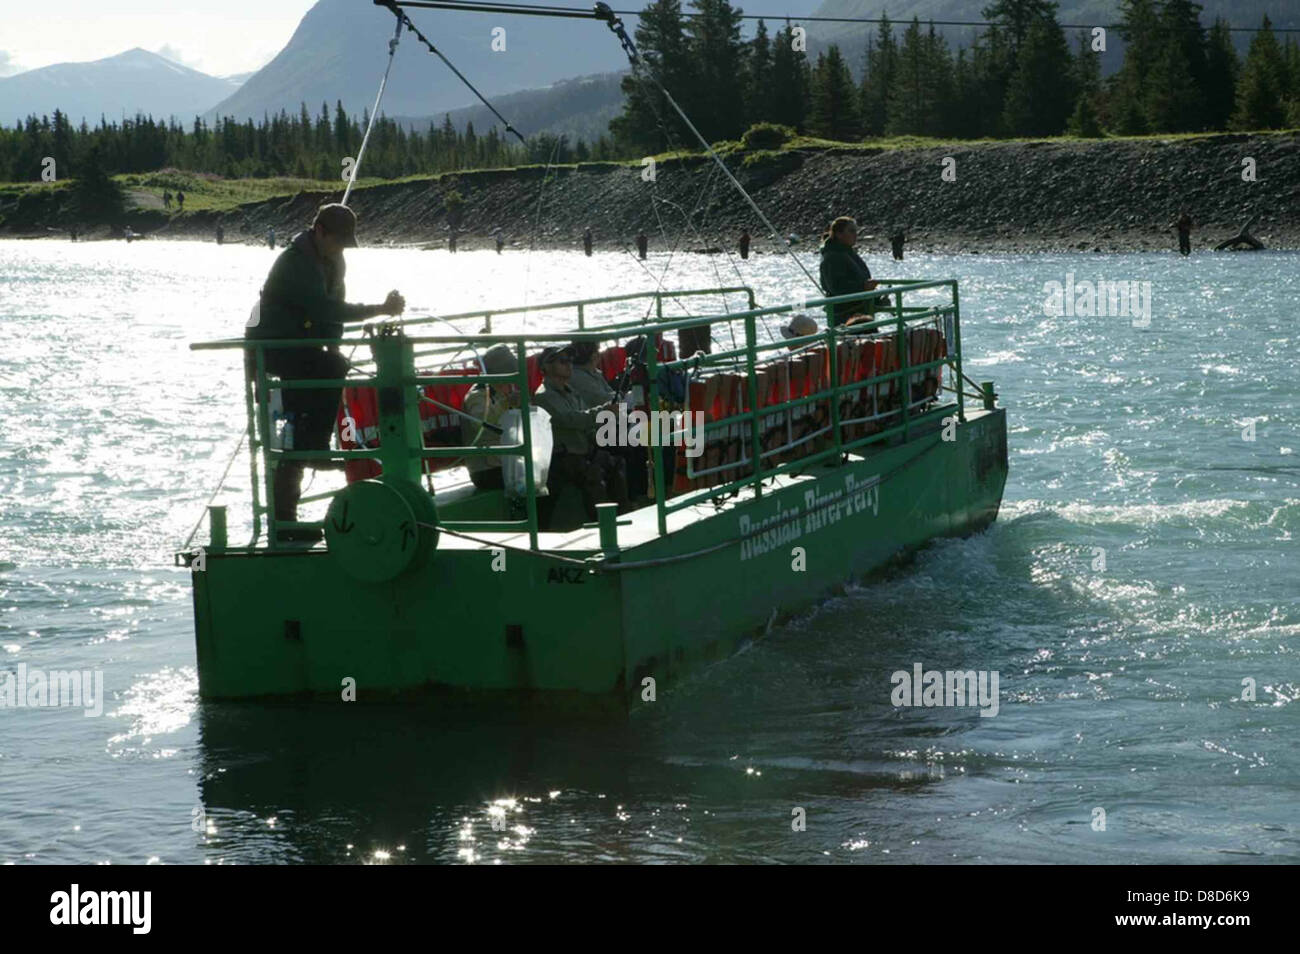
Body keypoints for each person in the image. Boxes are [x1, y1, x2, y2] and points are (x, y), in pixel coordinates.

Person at [246, 203, 405, 541]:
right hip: (272, 348)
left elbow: (333, 313)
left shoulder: (334, 260)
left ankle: (290, 512)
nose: (341, 248)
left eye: (346, 243)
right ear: (319, 231)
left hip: (303, 347)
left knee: (305, 414)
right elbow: (324, 308)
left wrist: (333, 344)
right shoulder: (294, 263)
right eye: (337, 241)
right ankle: (298, 487)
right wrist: (379, 309)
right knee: (301, 421)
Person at [532, 345, 627, 519]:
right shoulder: (544, 396)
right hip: (562, 457)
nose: (568, 365)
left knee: (616, 462)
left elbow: (587, 425)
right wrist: (604, 411)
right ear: (545, 367)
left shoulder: (571, 392)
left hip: (583, 451)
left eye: (569, 360)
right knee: (593, 475)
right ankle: (601, 523)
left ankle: (622, 515)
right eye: (562, 361)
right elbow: (572, 419)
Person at [461, 344, 518, 490]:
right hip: (486, 468)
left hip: (506, 461)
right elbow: (483, 425)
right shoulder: (477, 395)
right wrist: (507, 403)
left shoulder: (505, 390)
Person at [819, 216, 877, 326]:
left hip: (860, 311)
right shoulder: (832, 257)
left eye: (856, 231)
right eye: (851, 231)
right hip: (844, 315)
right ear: (839, 234)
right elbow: (836, 287)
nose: (855, 234)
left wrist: (876, 298)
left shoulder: (848, 253)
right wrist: (863, 287)